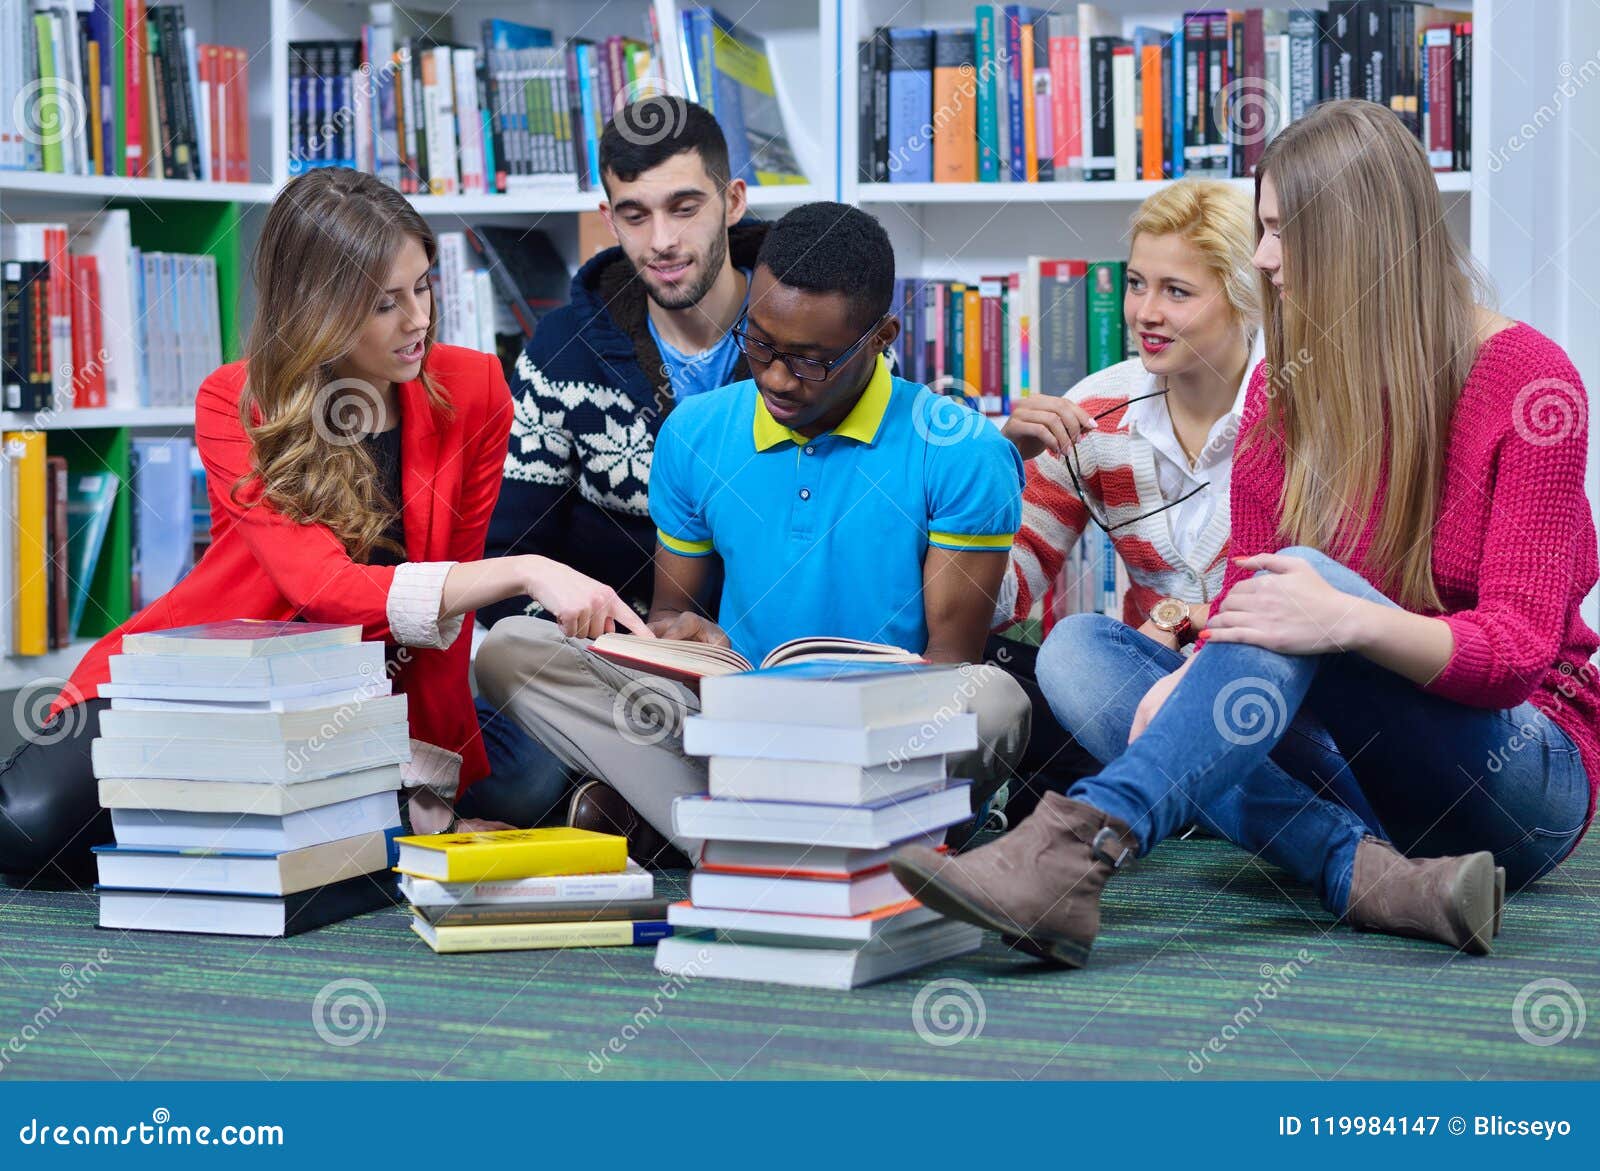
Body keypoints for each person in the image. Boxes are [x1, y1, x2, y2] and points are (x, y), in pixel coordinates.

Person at [893, 99, 1598, 963]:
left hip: (1518, 780)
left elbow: (1517, 655)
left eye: (1281, 232)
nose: (1263, 257)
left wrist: (1347, 619)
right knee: (1079, 653)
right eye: (1262, 230)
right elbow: (1243, 606)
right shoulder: (1285, 391)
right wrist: (1195, 682)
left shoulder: (1530, 381)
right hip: (1363, 774)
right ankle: (1373, 875)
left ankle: (1077, 848)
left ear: (1358, 237)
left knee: (1298, 578)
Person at [0, 168, 643, 886]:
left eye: (423, 286)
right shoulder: (235, 401)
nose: (418, 319)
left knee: (505, 788)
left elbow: (448, 618)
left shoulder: (476, 388)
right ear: (317, 311)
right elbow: (325, 588)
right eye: (384, 304)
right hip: (221, 683)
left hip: (363, 698)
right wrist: (528, 569)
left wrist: (431, 796)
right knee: (29, 826)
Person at [476, 202, 1031, 864]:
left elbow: (949, 664)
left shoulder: (963, 450)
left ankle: (709, 828)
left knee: (995, 702)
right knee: (512, 650)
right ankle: (839, 840)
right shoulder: (697, 430)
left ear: (881, 337)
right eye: (760, 343)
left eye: (811, 361)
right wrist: (683, 636)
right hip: (733, 729)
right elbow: (672, 615)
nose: (775, 376)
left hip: (877, 737)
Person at [468, 98, 764, 829]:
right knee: (509, 663)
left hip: (772, 660)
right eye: (635, 215)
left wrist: (726, 643)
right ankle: (706, 799)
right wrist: (624, 640)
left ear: (732, 202)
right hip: (617, 665)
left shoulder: (813, 327)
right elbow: (508, 558)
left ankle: (638, 806)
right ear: (609, 217)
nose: (661, 240)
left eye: (684, 208)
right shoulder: (561, 350)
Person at [990, 179, 1272, 822]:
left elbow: (1316, 604)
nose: (1145, 312)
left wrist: (1180, 620)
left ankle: (1172, 800)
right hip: (1144, 691)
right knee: (1068, 653)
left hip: (1268, 691)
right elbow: (1001, 602)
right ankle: (1225, 808)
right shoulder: (1095, 412)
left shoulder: (1299, 411)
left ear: (1242, 297)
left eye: (1177, 291)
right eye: (1137, 284)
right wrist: (996, 470)